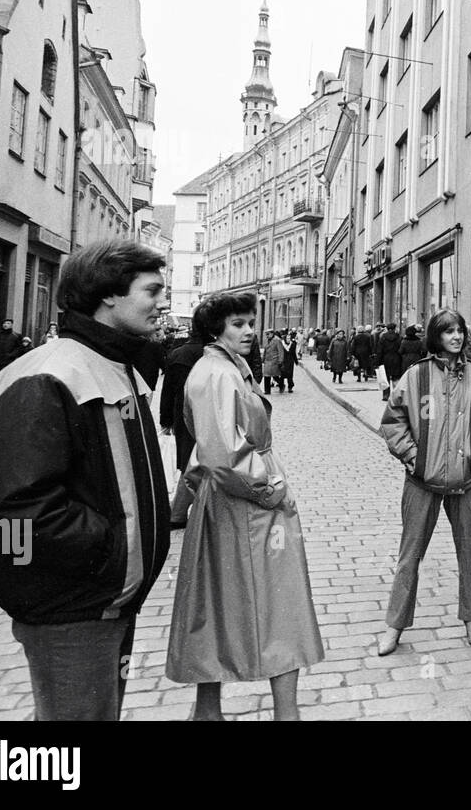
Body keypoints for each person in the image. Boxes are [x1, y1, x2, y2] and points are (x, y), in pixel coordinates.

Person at [0, 240, 172, 720]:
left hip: (106, 602)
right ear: (109, 296)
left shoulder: (113, 360)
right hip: (74, 610)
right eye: (153, 290)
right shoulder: (51, 373)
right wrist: (105, 552)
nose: (163, 303)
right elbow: (3, 511)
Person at [166, 293, 323, 721]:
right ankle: (283, 714)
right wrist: (272, 490)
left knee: (215, 605)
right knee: (280, 605)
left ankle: (209, 711)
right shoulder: (217, 373)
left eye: (250, 322)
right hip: (248, 504)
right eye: (238, 324)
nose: (249, 331)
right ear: (215, 329)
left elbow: (205, 457)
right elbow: (221, 455)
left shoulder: (224, 367)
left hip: (229, 505)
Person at [376, 310, 471, 656]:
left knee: (468, 551)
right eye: (448, 331)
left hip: (467, 481)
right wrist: (412, 457)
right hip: (422, 482)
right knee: (410, 554)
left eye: (459, 331)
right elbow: (392, 421)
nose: (456, 337)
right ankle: (395, 625)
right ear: (436, 336)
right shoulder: (417, 375)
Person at [160, 323, 207, 529]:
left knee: (188, 462)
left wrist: (166, 419)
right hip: (207, 414)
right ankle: (178, 513)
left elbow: (168, 390)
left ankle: (178, 513)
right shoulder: (214, 357)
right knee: (198, 464)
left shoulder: (178, 354)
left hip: (182, 415)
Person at [378, 322, 402, 400]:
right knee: (396, 377)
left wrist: (378, 361)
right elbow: (401, 349)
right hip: (396, 358)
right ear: (394, 328)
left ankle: (386, 395)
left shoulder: (383, 337)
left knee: (386, 378)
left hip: (386, 359)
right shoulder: (399, 337)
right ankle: (396, 395)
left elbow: (380, 350)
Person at [261, 330, 284, 394]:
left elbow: (281, 351)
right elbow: (265, 350)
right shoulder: (268, 340)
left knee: (275, 376)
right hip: (267, 360)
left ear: (272, 333)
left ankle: (281, 385)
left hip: (274, 361)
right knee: (266, 376)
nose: (267, 336)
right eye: (266, 334)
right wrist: (263, 359)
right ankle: (267, 391)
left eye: (268, 334)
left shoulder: (277, 340)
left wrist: (280, 360)